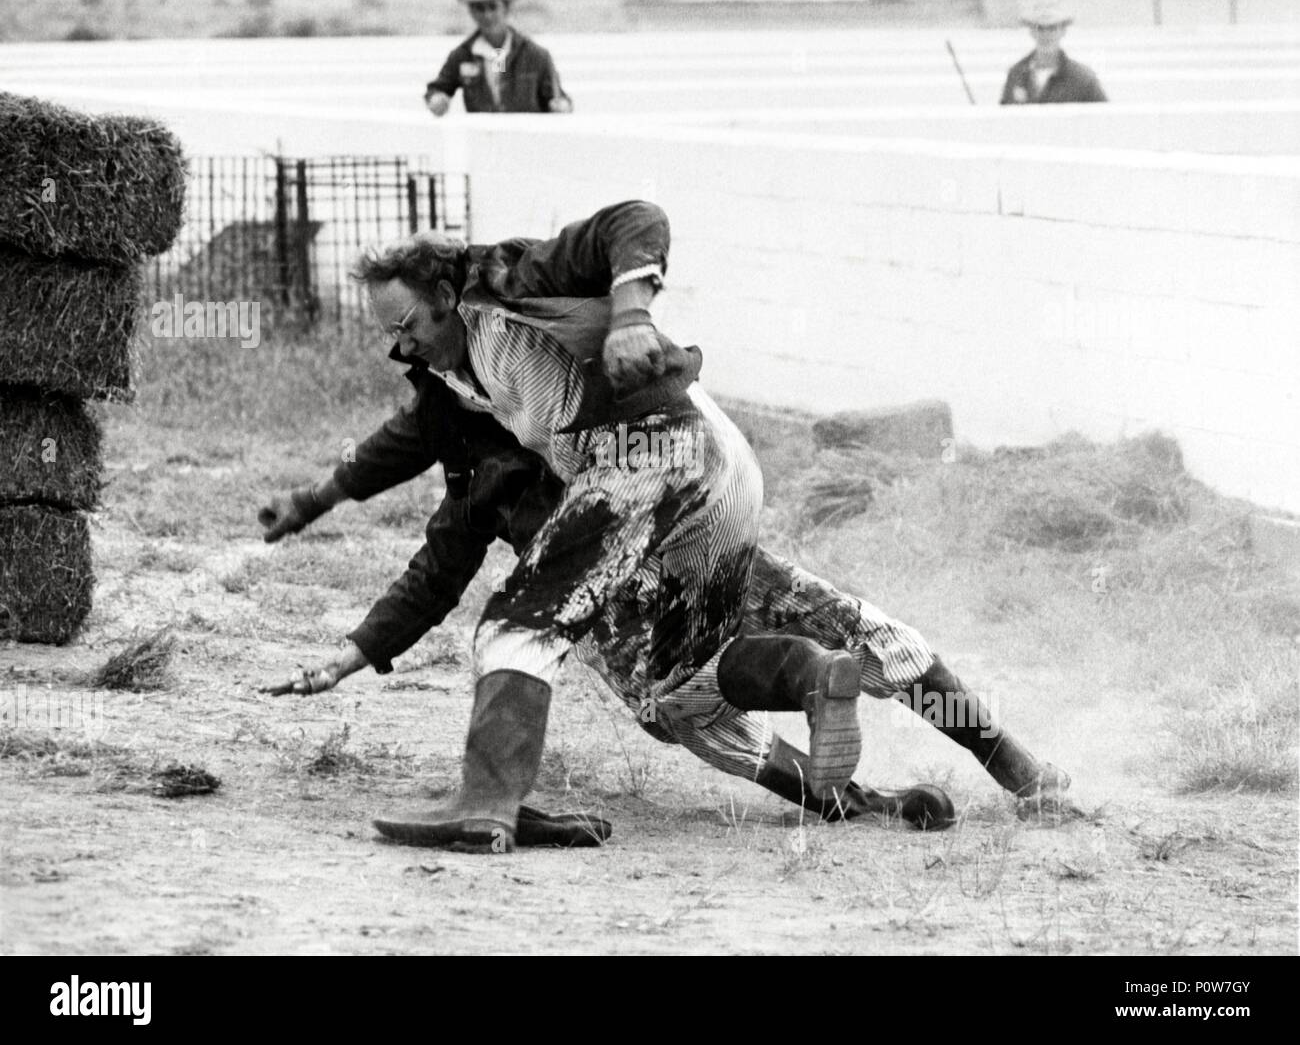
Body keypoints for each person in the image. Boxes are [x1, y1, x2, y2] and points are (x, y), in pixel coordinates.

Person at [259, 208, 1075, 849]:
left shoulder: (499, 281)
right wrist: (332, 557)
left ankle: (486, 806)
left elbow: (634, 218)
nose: (399, 348)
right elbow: (425, 528)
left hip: (656, 458)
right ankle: (1005, 771)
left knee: (531, 632)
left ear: (446, 299)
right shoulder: (460, 409)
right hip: (708, 479)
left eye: (405, 325)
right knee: (841, 635)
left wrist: (632, 316)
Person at [423, 0, 572, 117]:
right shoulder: (462, 55)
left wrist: (561, 107)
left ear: (506, 9)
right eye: (480, 8)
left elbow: (558, 98)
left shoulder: (536, 55)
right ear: (472, 12)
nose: (487, 15)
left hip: (527, 139)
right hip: (482, 138)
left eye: (493, 7)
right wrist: (437, 101)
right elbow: (437, 89)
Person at [1000, 0, 1107, 105]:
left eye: (1052, 28)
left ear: (1063, 31)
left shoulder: (1082, 78)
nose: (1046, 35)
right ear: (1031, 31)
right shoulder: (1016, 74)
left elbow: (1104, 117)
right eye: (1040, 28)